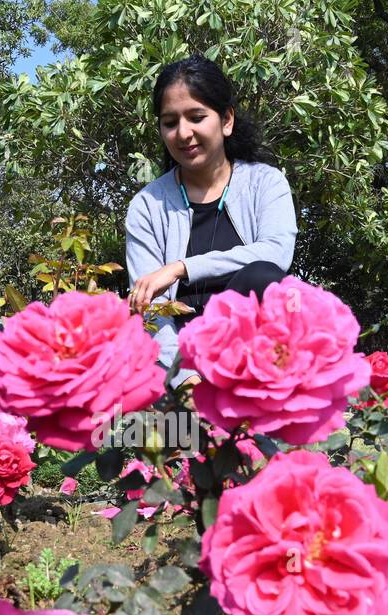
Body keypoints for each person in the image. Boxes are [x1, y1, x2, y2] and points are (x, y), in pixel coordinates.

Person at [125, 55, 298, 389]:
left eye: (196, 117)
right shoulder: (147, 206)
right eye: (170, 122)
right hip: (180, 372)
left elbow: (274, 255)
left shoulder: (266, 183)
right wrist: (188, 381)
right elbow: (152, 311)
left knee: (261, 274)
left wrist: (180, 268)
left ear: (227, 120)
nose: (183, 133)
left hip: (255, 363)